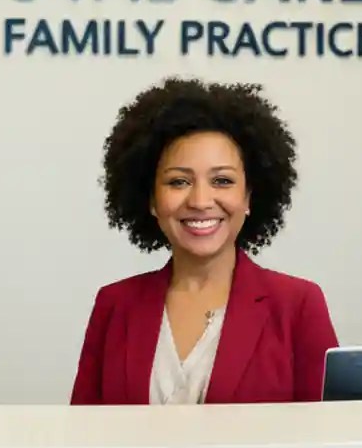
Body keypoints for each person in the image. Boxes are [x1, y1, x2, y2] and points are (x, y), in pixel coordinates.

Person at [70, 77, 339, 405]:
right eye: (179, 181)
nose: (200, 200)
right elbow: (82, 443)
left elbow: (326, 440)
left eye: (222, 181)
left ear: (249, 196)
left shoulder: (298, 306)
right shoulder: (114, 305)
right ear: (152, 199)